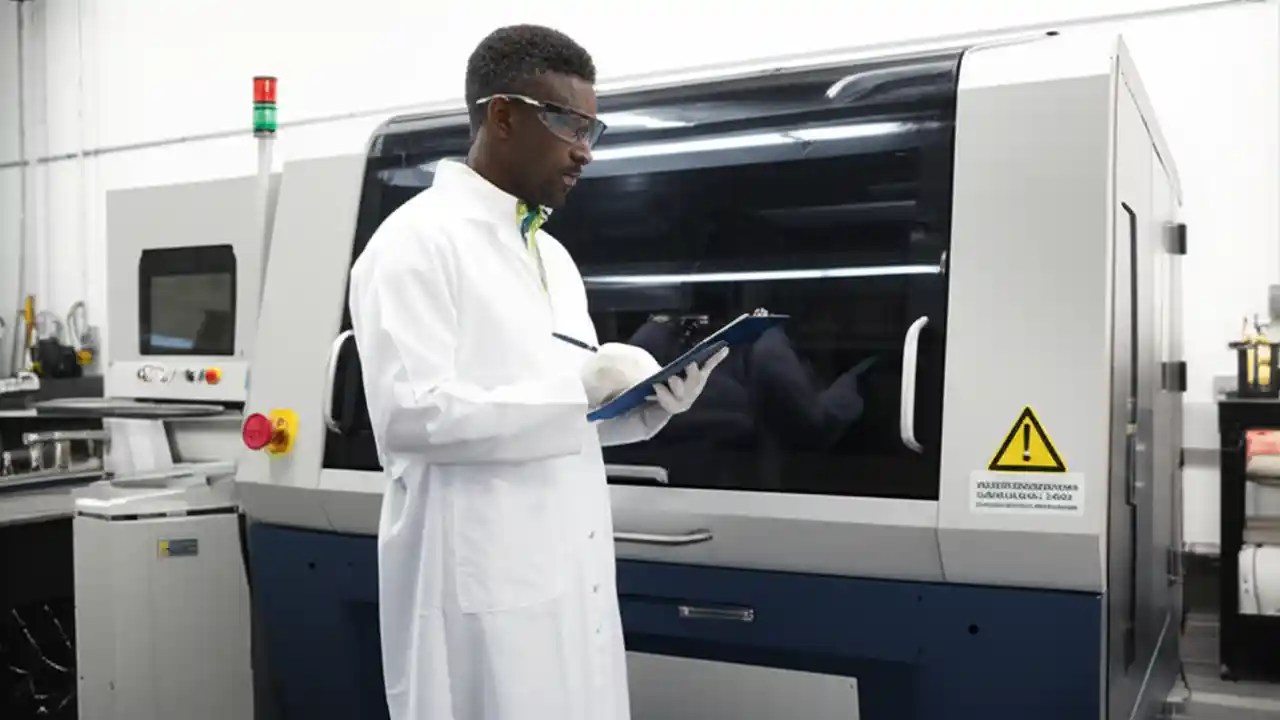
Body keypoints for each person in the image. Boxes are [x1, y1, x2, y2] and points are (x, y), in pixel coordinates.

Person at [347, 24, 728, 720]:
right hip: (478, 601)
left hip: (569, 583)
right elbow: (411, 416)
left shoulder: (551, 256)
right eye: (569, 125)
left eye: (593, 129)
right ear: (503, 115)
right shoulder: (415, 242)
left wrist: (642, 408)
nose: (585, 150)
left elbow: (564, 420)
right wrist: (579, 391)